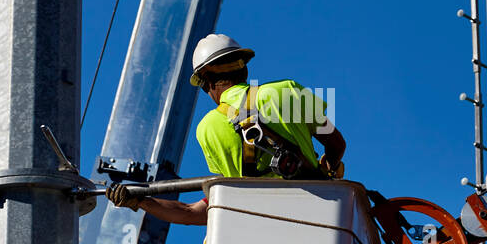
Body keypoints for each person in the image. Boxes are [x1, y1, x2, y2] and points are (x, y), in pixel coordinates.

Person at [106, 34, 346, 226]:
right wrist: (329, 165)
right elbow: (336, 144)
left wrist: (140, 201)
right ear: (244, 70)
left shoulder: (208, 129)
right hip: (318, 221)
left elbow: (196, 212)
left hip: (251, 239)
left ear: (206, 83)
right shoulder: (287, 91)